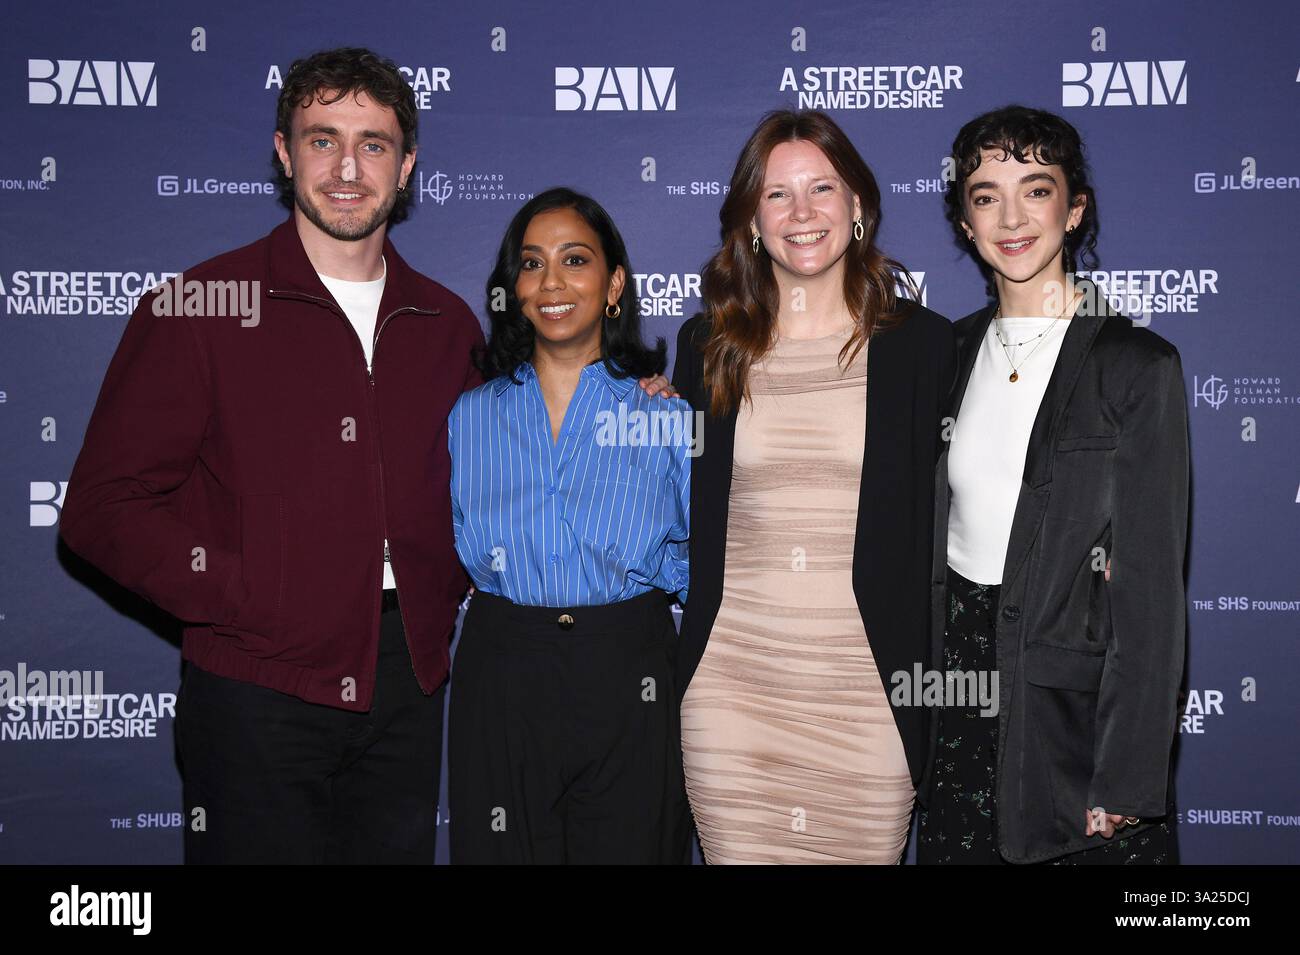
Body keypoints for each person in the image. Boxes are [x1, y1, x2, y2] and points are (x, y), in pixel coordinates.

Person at [58, 47, 481, 863]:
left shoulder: (446, 321)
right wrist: (244, 590)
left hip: (408, 684)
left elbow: (489, 475)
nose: (349, 167)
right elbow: (101, 510)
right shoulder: (201, 307)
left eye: (375, 143)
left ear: (408, 164)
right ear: (285, 155)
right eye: (323, 140)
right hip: (256, 687)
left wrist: (440, 588)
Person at [672, 110, 956, 863]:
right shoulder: (707, 346)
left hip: (868, 699)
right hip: (733, 690)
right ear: (752, 222)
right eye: (776, 195)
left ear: (858, 205)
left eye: (822, 189)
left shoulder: (926, 347)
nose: (802, 213)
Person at [917, 104, 1188, 865]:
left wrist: (1130, 777)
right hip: (954, 707)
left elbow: (1149, 590)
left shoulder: (1136, 366)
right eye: (984, 195)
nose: (1011, 216)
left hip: (1068, 721)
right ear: (964, 222)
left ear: (1074, 210)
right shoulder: (946, 353)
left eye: (1036, 190)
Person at [447, 187, 693, 864]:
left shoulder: (668, 418)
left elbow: (704, 570)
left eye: (575, 259)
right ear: (513, 286)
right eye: (531, 263)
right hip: (502, 671)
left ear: (613, 283)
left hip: (631, 671)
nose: (551, 282)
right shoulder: (467, 419)